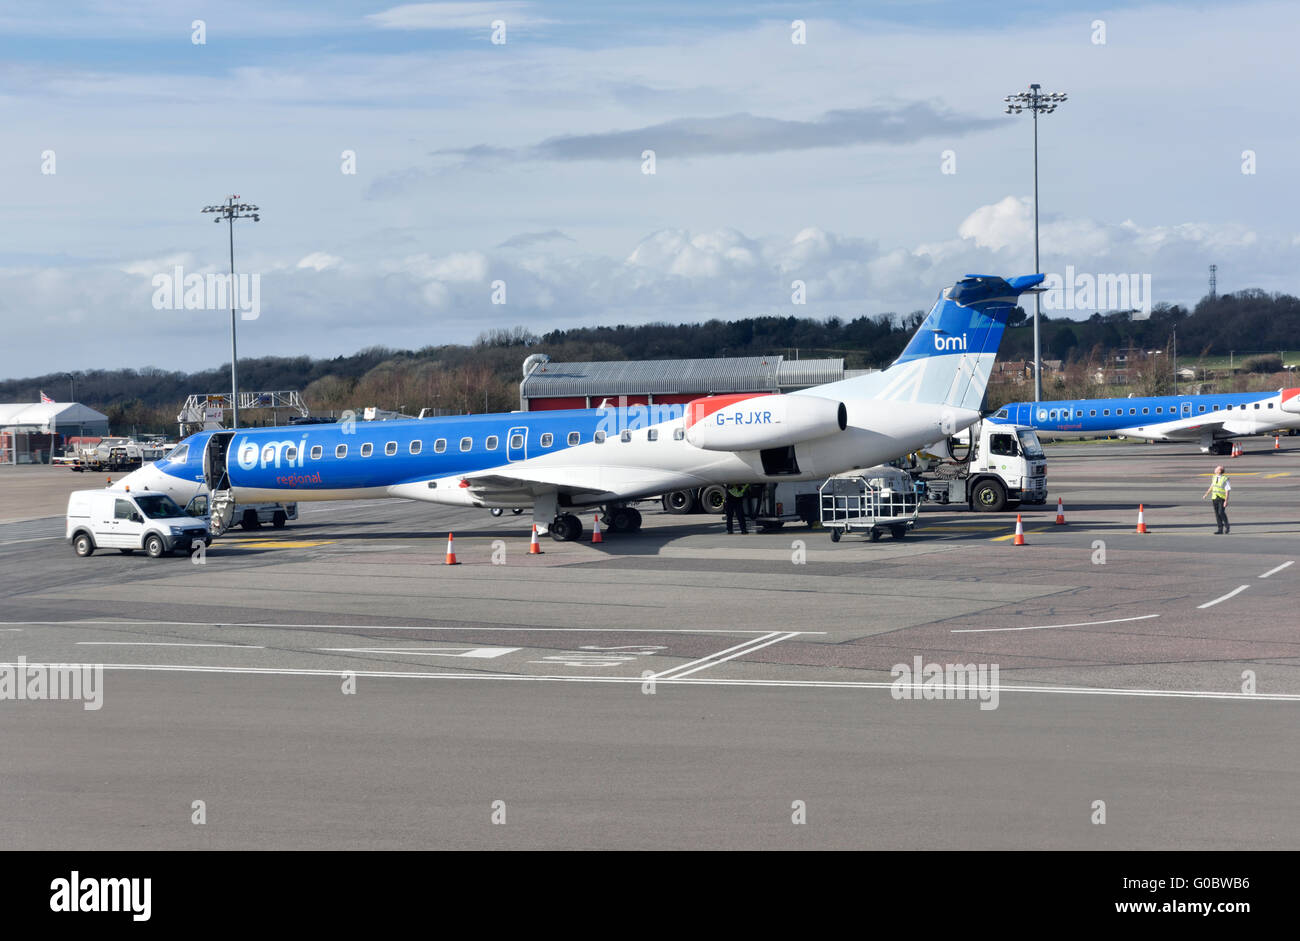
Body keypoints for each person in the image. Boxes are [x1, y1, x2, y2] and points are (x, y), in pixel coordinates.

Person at [1202, 464, 1231, 534]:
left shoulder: (1225, 479)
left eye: (1216, 468)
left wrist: (1226, 501)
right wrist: (1206, 494)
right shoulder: (1214, 477)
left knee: (1221, 512)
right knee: (1217, 514)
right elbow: (1212, 486)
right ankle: (1220, 529)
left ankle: (1227, 526)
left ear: (1219, 471)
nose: (1215, 469)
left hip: (1221, 498)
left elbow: (1227, 490)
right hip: (1214, 497)